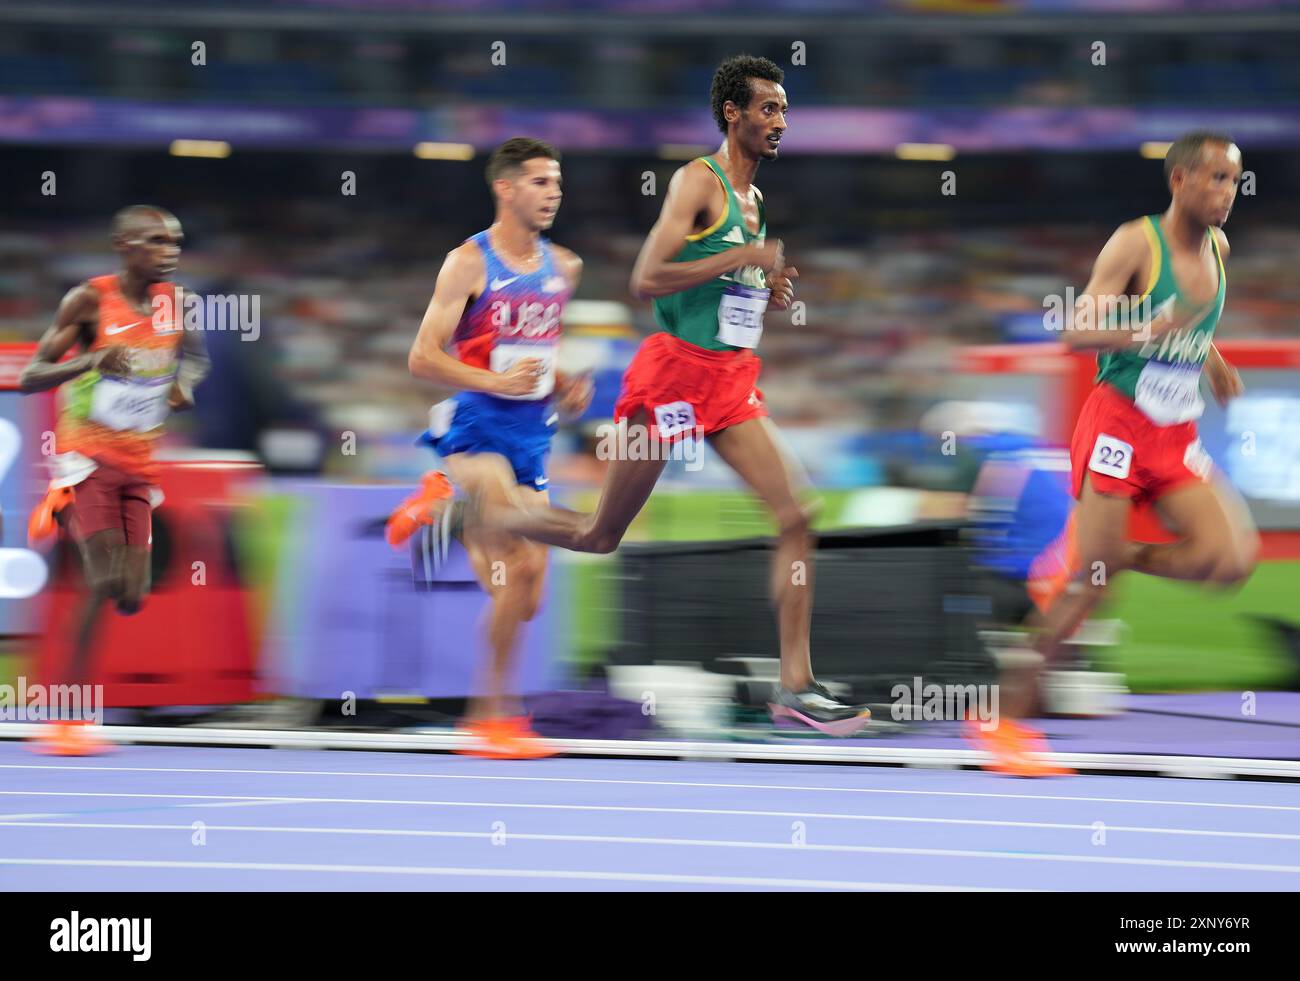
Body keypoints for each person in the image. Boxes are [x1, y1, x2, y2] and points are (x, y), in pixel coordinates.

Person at [469, 55, 871, 735]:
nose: (780, 121)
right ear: (732, 114)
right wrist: (741, 259)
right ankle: (490, 515)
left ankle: (794, 687)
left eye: (784, 109)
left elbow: (716, 293)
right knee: (600, 536)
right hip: (674, 379)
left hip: (730, 379)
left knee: (798, 514)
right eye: (767, 109)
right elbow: (647, 277)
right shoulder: (697, 181)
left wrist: (761, 288)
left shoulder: (755, 201)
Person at [970, 131, 1259, 776]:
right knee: (1085, 588)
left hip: (1174, 434)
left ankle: (1119, 556)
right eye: (1215, 179)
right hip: (1117, 430)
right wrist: (1145, 329)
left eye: (1234, 182)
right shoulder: (1135, 242)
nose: (1226, 194)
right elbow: (1075, 330)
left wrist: (1212, 359)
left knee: (1230, 559)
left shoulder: (1218, 246)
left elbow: (1192, 317)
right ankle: (1002, 724)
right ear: (1179, 180)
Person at [386, 137, 591, 759]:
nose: (553, 193)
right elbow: (422, 356)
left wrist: (563, 385)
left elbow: (537, 350)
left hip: (531, 438)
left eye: (557, 182)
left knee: (525, 597)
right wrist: (493, 382)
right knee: (515, 564)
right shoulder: (468, 263)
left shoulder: (568, 268)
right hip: (474, 428)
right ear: (505, 188)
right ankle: (491, 720)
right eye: (539, 182)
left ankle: (445, 506)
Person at [21, 205, 209, 756]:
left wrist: (185, 387)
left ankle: (63, 509)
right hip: (88, 457)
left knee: (130, 597)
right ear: (124, 246)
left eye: (175, 240)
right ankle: (66, 717)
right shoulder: (87, 300)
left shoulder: (179, 304)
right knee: (99, 585)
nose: (170, 250)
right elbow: (32, 377)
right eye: (155, 241)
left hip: (139, 462)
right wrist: (93, 360)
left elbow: (195, 359)